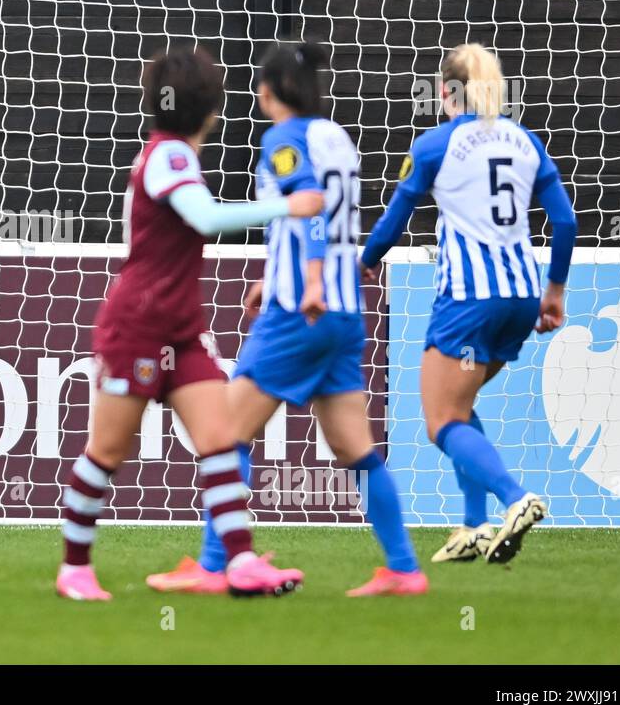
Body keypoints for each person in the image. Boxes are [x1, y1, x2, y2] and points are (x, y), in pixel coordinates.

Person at [147, 41, 427, 597]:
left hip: (303, 309)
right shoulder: (337, 138)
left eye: (258, 85)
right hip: (347, 313)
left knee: (223, 434)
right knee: (355, 450)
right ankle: (404, 569)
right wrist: (278, 273)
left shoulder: (282, 138)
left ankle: (211, 567)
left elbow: (308, 205)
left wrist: (310, 280)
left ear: (269, 90)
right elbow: (325, 212)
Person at [56, 46, 318, 601]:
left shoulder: (172, 154)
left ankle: (240, 562)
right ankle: (74, 568)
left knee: (221, 440)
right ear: (210, 110)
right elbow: (204, 217)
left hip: (181, 329)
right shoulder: (170, 155)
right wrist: (285, 208)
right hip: (138, 328)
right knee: (108, 452)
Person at [360, 43, 576, 564]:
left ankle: (515, 498)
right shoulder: (527, 141)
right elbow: (566, 222)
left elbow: (395, 218)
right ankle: (475, 525)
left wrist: (365, 260)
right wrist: (554, 292)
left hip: (469, 300)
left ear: (444, 91)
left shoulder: (435, 145)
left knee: (441, 421)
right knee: (461, 406)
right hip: (522, 298)